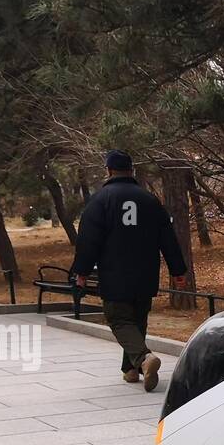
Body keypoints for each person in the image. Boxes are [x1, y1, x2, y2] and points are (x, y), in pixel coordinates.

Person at [71, 150, 189, 391]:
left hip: (115, 273)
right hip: (145, 273)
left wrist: (81, 272)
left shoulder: (100, 200)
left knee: (119, 319)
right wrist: (178, 271)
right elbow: (168, 238)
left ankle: (145, 359)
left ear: (108, 170)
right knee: (137, 319)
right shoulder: (150, 200)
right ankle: (131, 370)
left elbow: (88, 241)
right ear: (131, 170)